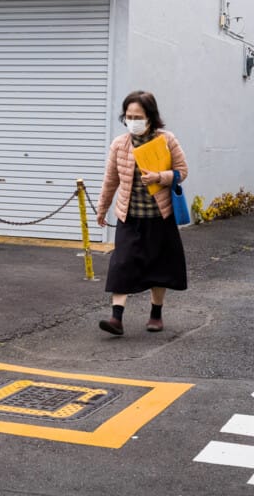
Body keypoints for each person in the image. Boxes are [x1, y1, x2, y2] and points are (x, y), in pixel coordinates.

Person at [95, 90, 188, 336]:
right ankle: (116, 318)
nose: (132, 121)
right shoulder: (119, 144)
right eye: (128, 116)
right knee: (122, 263)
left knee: (160, 267)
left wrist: (160, 177)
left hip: (160, 216)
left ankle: (156, 314)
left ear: (150, 117)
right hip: (130, 216)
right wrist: (102, 207)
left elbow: (182, 171)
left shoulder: (167, 140)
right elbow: (110, 180)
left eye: (138, 116)